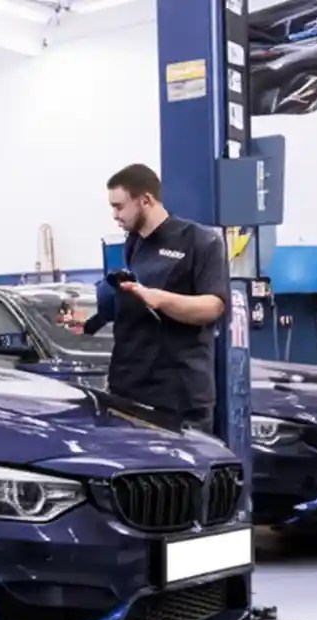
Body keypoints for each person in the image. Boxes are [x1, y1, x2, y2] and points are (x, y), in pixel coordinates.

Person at [92, 163, 231, 433]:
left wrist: (159, 299)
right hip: (130, 392)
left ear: (145, 200)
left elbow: (213, 306)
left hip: (179, 397)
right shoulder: (133, 243)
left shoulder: (201, 242)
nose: (114, 215)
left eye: (119, 206)